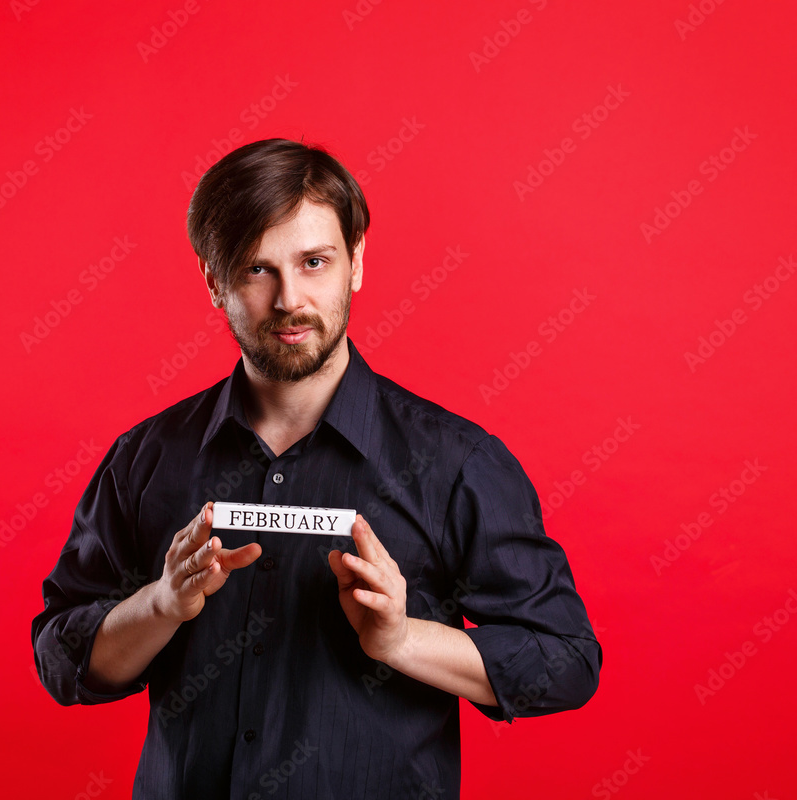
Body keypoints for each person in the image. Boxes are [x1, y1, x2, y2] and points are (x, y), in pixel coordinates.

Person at [31, 137, 602, 799]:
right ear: (214, 280)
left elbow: (566, 661)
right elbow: (61, 658)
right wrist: (161, 606)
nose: (289, 299)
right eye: (255, 269)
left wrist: (401, 639)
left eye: (314, 262)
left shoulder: (456, 463)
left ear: (356, 262)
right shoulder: (147, 458)